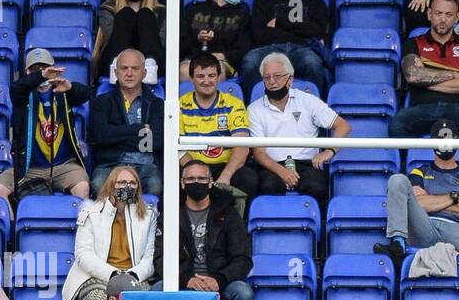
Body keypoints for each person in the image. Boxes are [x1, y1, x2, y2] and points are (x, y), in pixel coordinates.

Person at [373, 120, 459, 267]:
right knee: (397, 179)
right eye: (440, 138)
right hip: (423, 224)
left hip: (455, 228)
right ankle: (398, 244)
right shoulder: (419, 172)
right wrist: (453, 197)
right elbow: (417, 204)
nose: (445, 143)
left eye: (450, 138)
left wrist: (430, 201)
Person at [0, 49, 92, 201]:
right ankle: (12, 224)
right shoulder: (23, 96)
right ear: (27, 72)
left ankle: (78, 225)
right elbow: (16, 88)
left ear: (54, 68)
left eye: (45, 68)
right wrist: (42, 76)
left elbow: (87, 93)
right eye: (35, 69)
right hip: (29, 169)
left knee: (82, 187)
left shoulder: (62, 91)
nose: (42, 72)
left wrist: (70, 88)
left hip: (64, 166)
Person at [248, 52, 349, 202]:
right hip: (273, 167)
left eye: (277, 76)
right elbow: (258, 153)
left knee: (317, 188)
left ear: (290, 79)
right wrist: (282, 172)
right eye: (267, 77)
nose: (272, 82)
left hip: (307, 164)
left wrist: (330, 151)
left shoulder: (307, 101)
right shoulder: (254, 109)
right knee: (267, 188)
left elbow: (343, 126)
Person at [61, 166, 158, 300]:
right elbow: (83, 255)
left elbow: (150, 257)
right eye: (122, 182)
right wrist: (113, 275)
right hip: (98, 276)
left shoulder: (148, 216)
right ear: (111, 186)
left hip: (134, 276)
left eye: (133, 183)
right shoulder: (91, 213)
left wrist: (131, 275)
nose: (128, 187)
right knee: (95, 298)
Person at [389, 0, 459, 139]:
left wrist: (425, 80)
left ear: (456, 18)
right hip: (421, 109)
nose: (443, 19)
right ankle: (415, 162)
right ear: (429, 14)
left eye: (448, 14)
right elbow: (413, 75)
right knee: (397, 125)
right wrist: (453, 75)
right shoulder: (414, 43)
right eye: (438, 13)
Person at [179, 160, 254, 300]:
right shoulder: (171, 213)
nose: (196, 183)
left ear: (211, 182)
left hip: (220, 282)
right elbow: (160, 257)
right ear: (182, 183)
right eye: (191, 179)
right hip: (183, 282)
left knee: (243, 294)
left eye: (201, 179)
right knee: (158, 289)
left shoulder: (228, 213)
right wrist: (188, 279)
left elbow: (242, 258)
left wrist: (218, 280)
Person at [179, 51, 257, 201]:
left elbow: (242, 146)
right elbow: (178, 150)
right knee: (174, 179)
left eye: (211, 76)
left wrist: (226, 175)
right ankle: (184, 224)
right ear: (191, 79)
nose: (206, 81)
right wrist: (198, 174)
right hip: (192, 165)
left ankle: (235, 223)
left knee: (249, 179)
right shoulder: (180, 106)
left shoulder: (233, 103)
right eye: (201, 76)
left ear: (219, 77)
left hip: (225, 165)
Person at [240, 0, 330, 97]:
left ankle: (312, 109)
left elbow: (317, 31)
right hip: (269, 49)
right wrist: (300, 30)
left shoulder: (315, 4)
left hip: (302, 49)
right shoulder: (262, 1)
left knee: (312, 63)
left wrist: (279, 22)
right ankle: (258, 104)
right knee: (250, 61)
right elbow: (259, 35)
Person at [87, 49, 164, 196]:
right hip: (111, 165)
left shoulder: (156, 103)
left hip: (146, 166)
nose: (129, 73)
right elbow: (99, 136)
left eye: (135, 68)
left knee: (156, 186)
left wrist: (115, 135)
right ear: (116, 73)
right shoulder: (101, 102)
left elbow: (157, 141)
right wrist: (139, 130)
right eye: (124, 68)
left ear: (144, 73)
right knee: (98, 185)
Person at [179, 0, 253, 81]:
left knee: (216, 70)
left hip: (224, 63)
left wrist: (222, 56)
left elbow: (245, 48)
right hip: (194, 59)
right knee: (184, 70)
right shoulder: (193, 11)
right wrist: (198, 39)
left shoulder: (242, 13)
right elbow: (180, 45)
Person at [94, 0, 164, 81]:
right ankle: (118, 65)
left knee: (145, 14)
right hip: (113, 59)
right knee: (126, 14)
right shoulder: (108, 10)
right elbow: (112, 38)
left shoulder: (159, 12)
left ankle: (149, 64)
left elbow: (161, 41)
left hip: (154, 65)